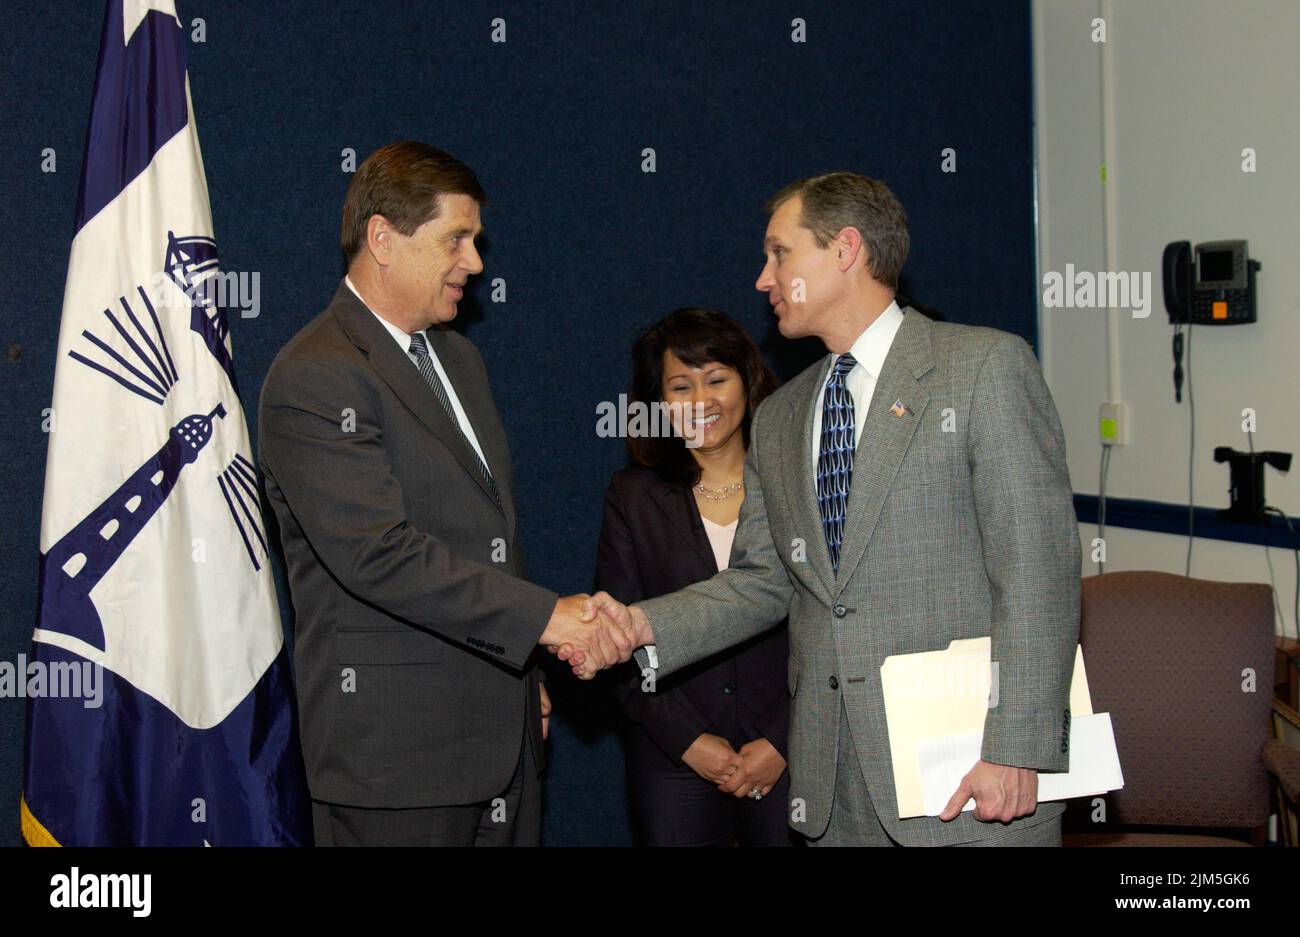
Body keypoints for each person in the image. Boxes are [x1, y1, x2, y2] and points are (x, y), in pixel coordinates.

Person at [567, 172, 1081, 847]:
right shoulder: (781, 417)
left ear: (844, 250)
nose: (762, 277)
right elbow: (762, 580)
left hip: (970, 777)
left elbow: (1038, 572)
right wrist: (636, 625)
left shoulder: (983, 368)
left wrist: (1015, 745)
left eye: (779, 253)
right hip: (831, 793)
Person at [258, 141, 631, 847]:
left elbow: (486, 541)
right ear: (382, 239)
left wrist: (519, 675)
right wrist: (548, 619)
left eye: (477, 240)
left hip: (504, 744)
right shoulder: (314, 376)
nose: (477, 263)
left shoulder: (459, 358)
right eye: (456, 239)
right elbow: (380, 555)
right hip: (397, 766)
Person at [595, 307, 796, 846]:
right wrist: (689, 742)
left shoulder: (794, 481)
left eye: (717, 380)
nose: (702, 402)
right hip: (671, 757)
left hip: (789, 749)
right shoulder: (632, 497)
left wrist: (783, 739)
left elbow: (830, 618)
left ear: (747, 382)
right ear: (657, 403)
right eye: (681, 386)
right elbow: (617, 636)